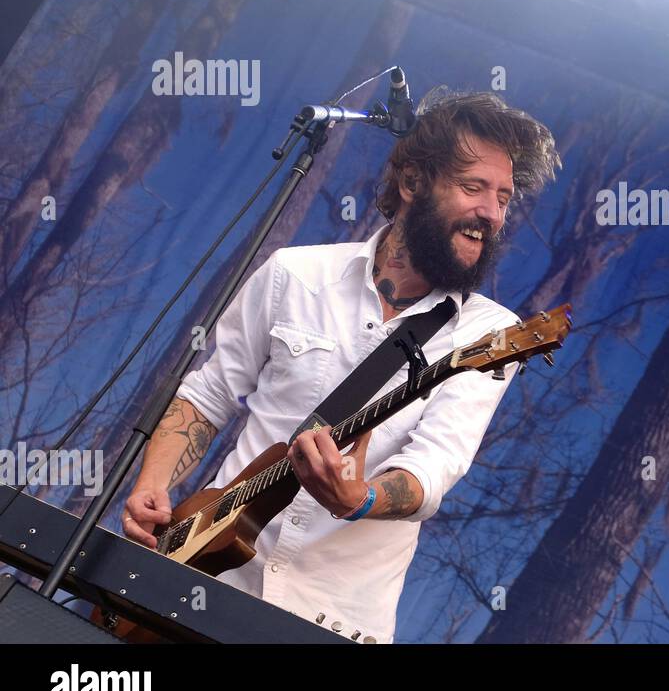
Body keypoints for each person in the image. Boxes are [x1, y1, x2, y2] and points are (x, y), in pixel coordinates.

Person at [121, 89, 560, 643]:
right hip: (202, 583)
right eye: (473, 188)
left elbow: (434, 468)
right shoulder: (294, 273)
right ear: (412, 183)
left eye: (503, 197)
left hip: (333, 621)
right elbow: (207, 395)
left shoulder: (488, 335)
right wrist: (152, 484)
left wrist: (363, 498)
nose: (491, 214)